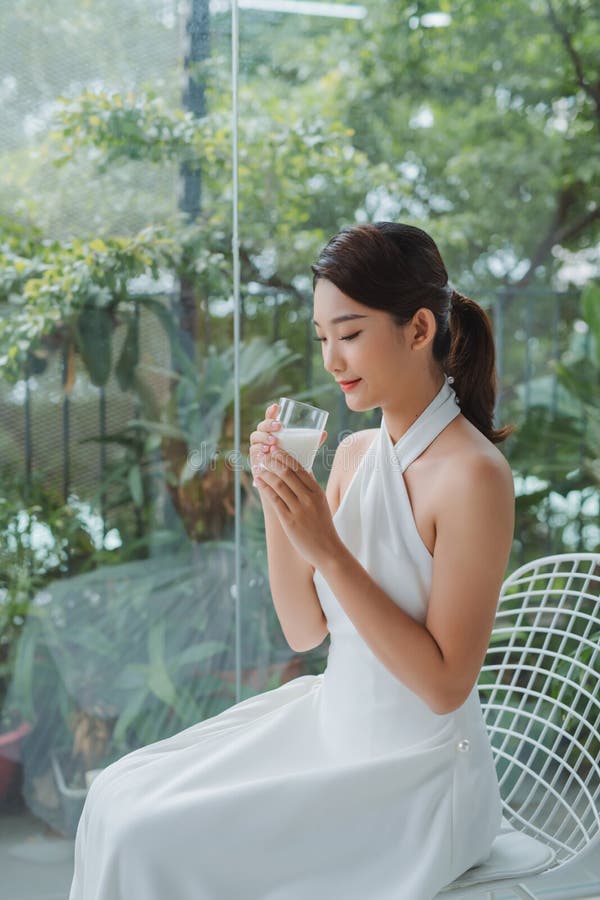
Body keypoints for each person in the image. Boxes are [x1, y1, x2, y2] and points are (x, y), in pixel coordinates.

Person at [68, 221, 515, 900]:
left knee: (146, 834)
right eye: (323, 338)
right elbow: (305, 631)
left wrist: (330, 551)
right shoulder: (361, 456)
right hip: (334, 723)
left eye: (352, 332)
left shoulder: (473, 476)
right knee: (117, 797)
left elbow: (446, 686)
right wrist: (280, 496)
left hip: (414, 778)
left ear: (419, 329)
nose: (333, 360)